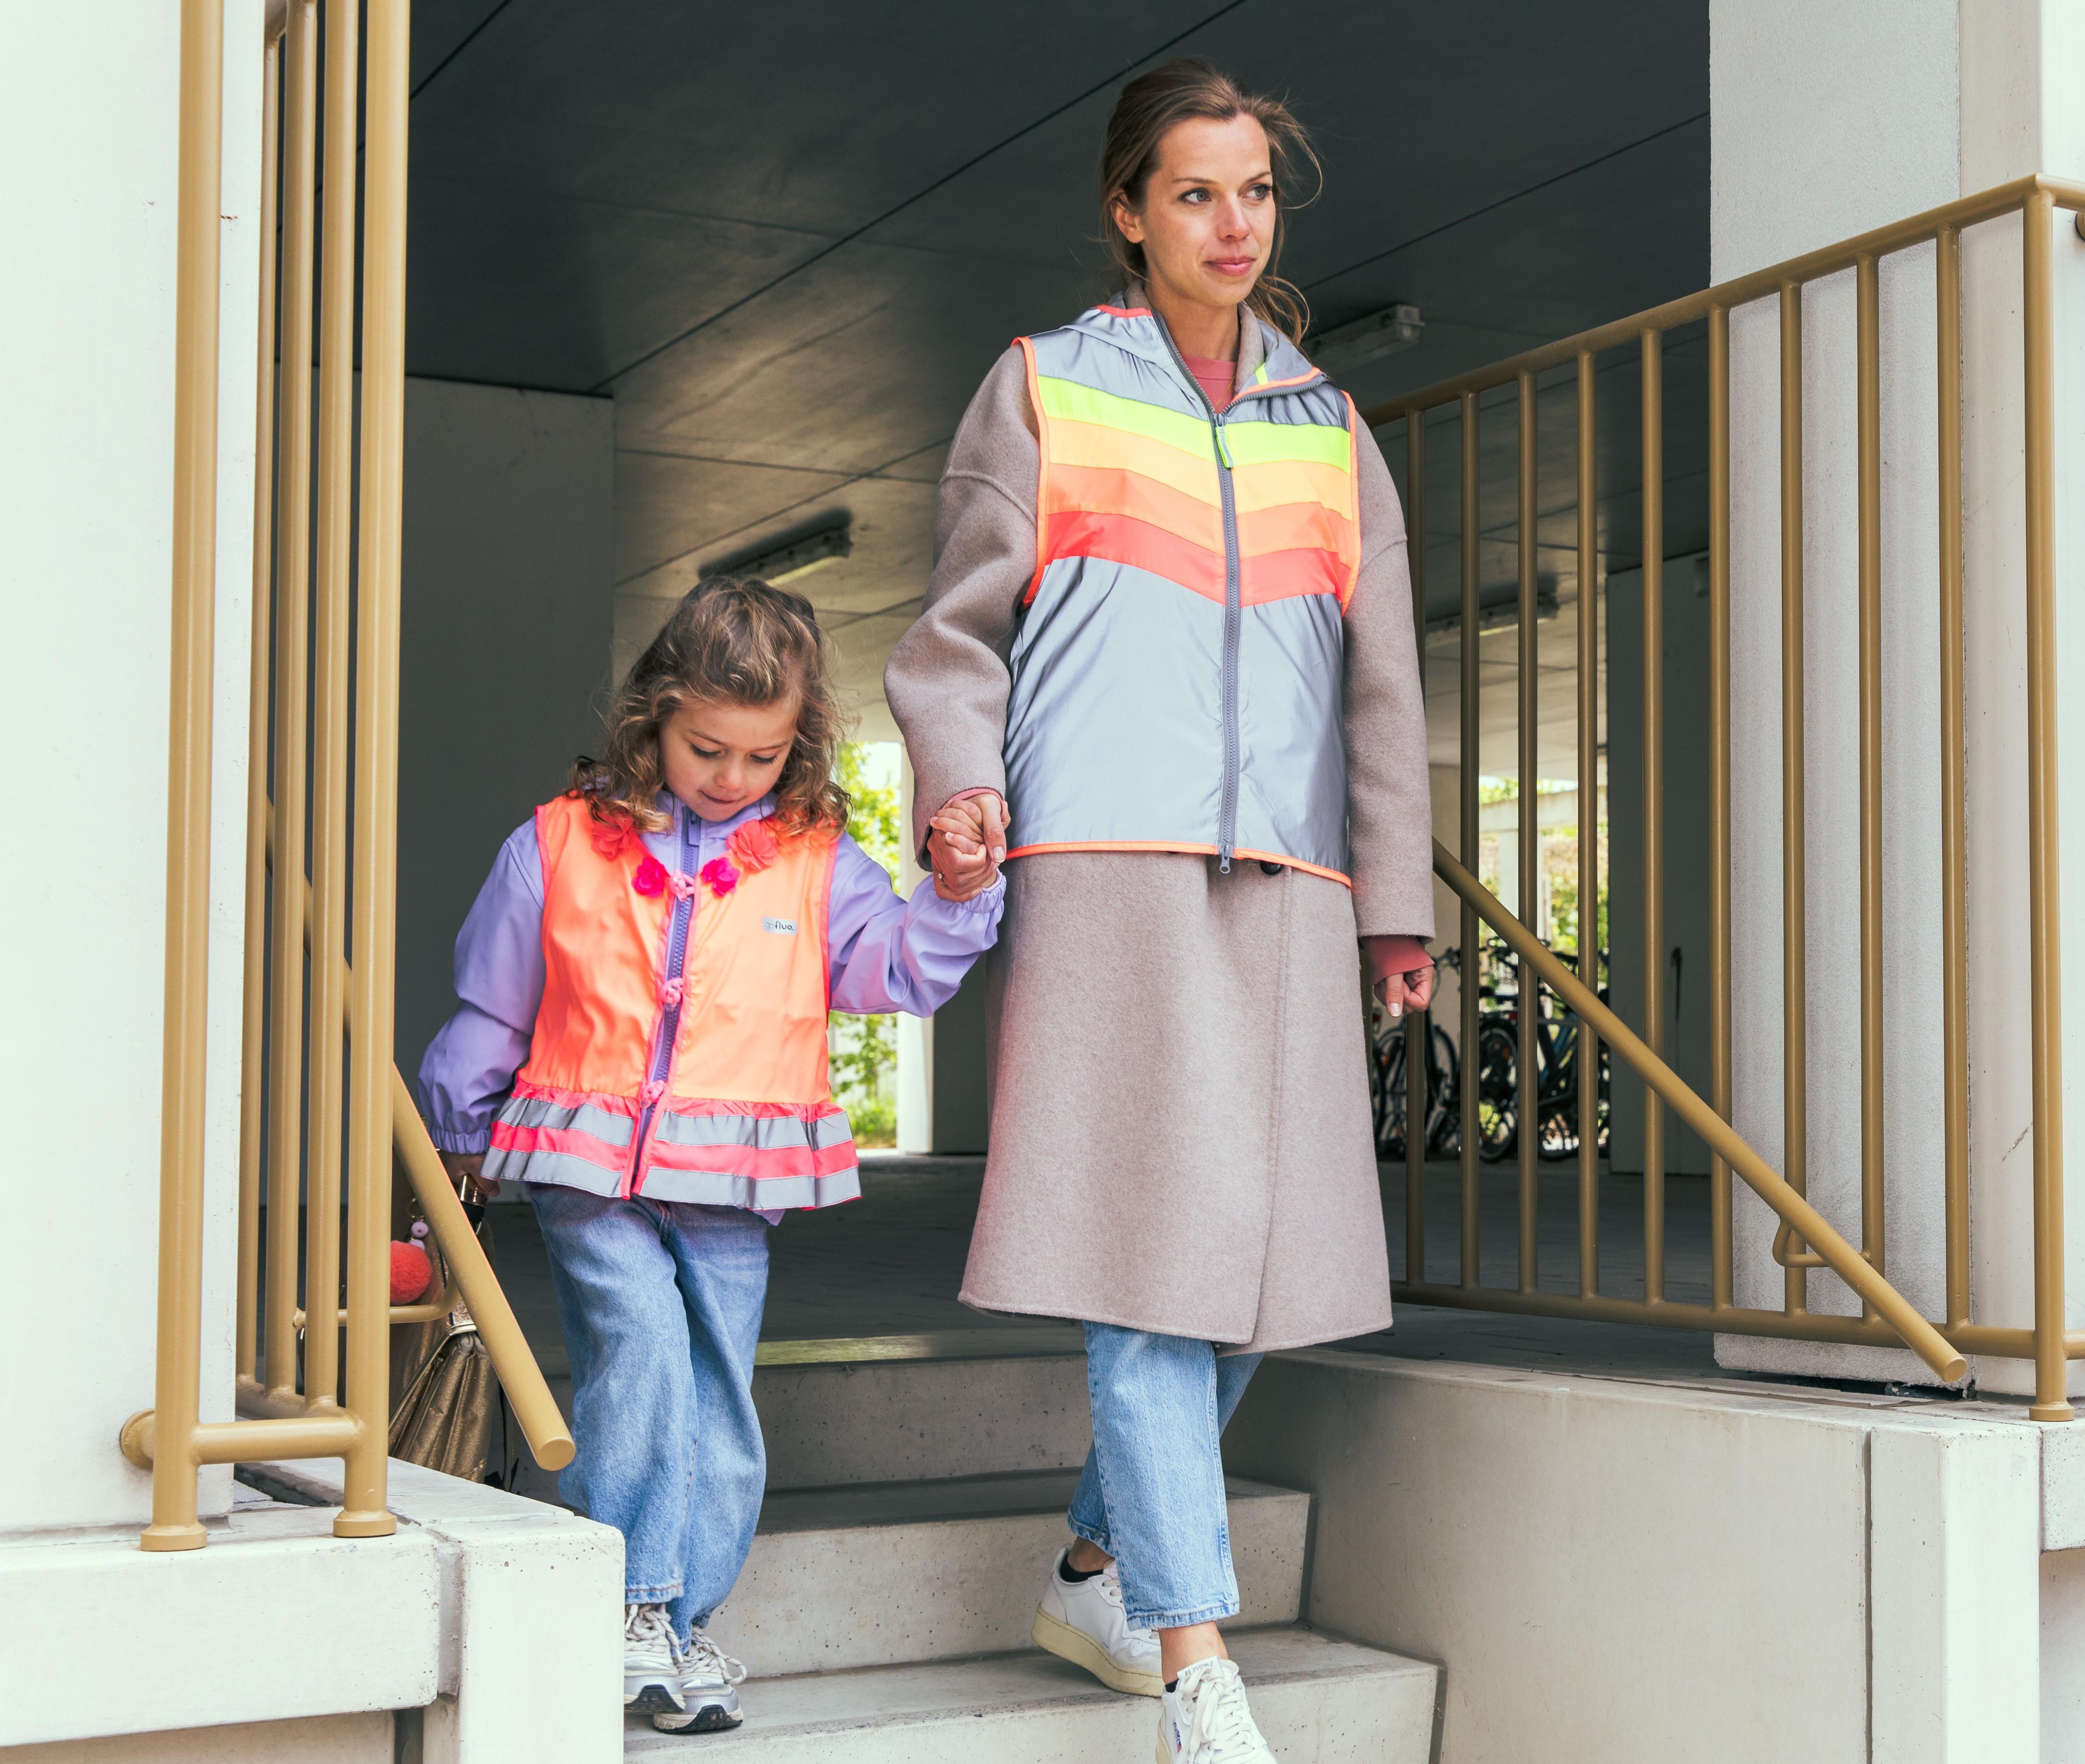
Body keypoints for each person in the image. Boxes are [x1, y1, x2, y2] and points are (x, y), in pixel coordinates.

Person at [888, 56, 1434, 1764]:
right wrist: (962, 778)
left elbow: (1384, 695)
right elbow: (954, 639)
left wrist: (1395, 906)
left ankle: (1098, 1564)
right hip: (1105, 877)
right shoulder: (1043, 390)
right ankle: (1201, 1671)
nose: (1231, 222)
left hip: (1284, 887)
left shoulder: (1327, 428)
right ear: (1130, 213)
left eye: (1254, 192)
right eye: (1195, 192)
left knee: (1258, 1278)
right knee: (1149, 1269)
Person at [419, 575, 1006, 1736]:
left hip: (735, 1185)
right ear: (654, 716)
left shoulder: (817, 859)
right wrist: (457, 1125)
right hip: (590, 1169)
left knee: (718, 1401)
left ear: (799, 743)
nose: (734, 778)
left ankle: (680, 1622)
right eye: (707, 749)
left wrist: (957, 891)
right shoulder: (557, 843)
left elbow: (895, 969)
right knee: (637, 1352)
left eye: (762, 756)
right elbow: (495, 1002)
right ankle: (629, 1600)